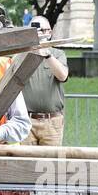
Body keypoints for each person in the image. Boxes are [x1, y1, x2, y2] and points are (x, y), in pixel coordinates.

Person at [17, 15, 70, 146]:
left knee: (49, 164)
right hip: (26, 121)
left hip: (52, 122)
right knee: (26, 163)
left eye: (44, 30)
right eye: (36, 30)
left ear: (50, 32)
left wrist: (47, 54)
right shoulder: (22, 55)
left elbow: (63, 76)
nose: (41, 33)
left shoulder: (58, 54)